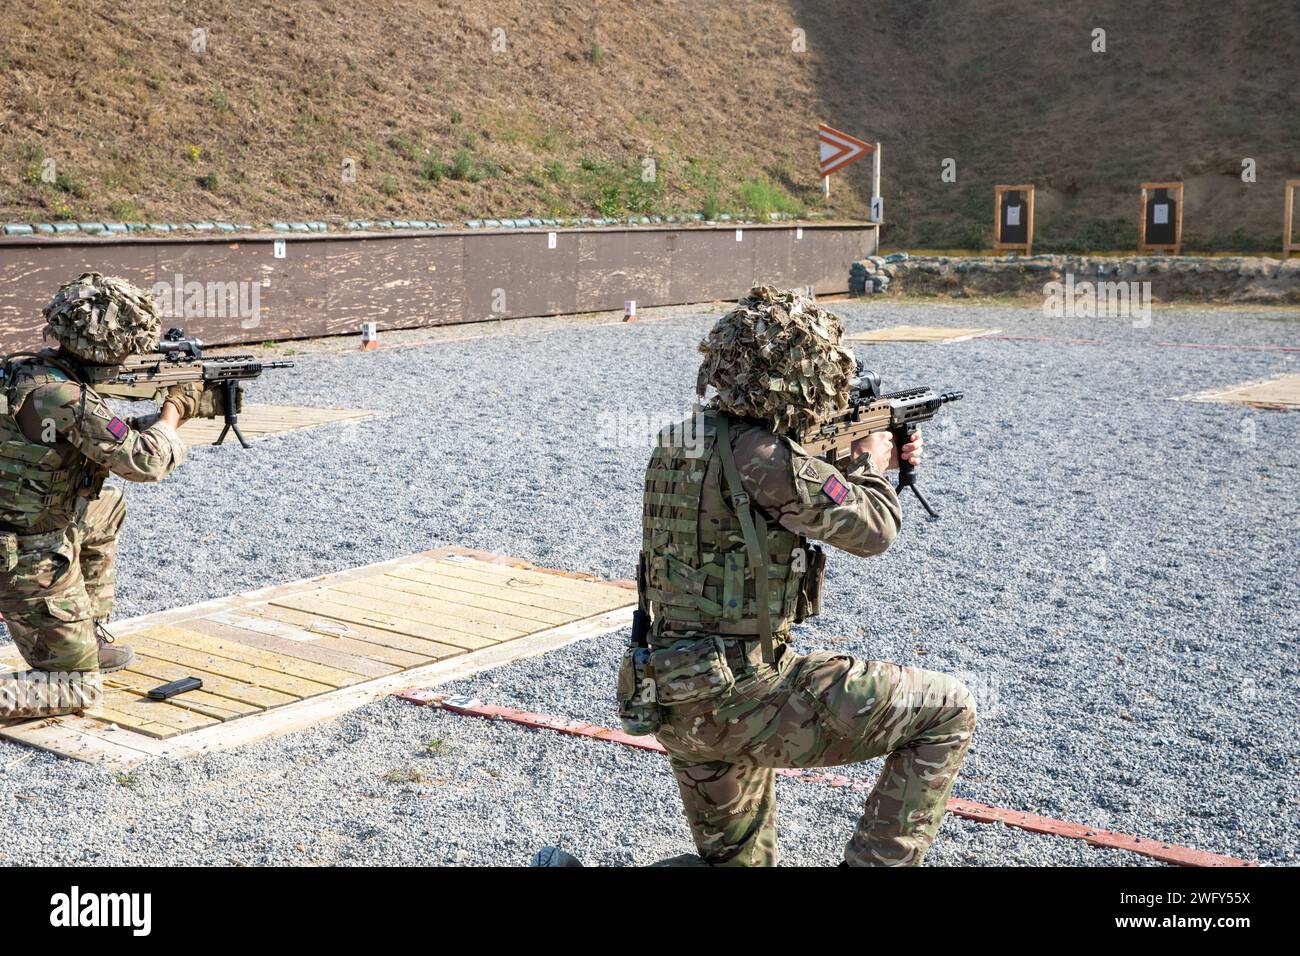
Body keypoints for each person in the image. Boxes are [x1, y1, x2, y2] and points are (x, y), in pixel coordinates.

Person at [616, 285, 976, 867]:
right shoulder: (766, 457)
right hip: (743, 695)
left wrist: (837, 457)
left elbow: (755, 499)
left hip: (669, 691)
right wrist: (871, 465)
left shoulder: (680, 438)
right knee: (949, 708)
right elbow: (873, 532)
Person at [0, 273, 200, 718]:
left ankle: (84, 635)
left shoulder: (27, 371)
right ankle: (71, 659)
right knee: (74, 690)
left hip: (21, 526)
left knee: (105, 508)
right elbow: (144, 462)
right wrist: (174, 412)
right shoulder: (66, 395)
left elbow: (93, 436)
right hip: (25, 556)